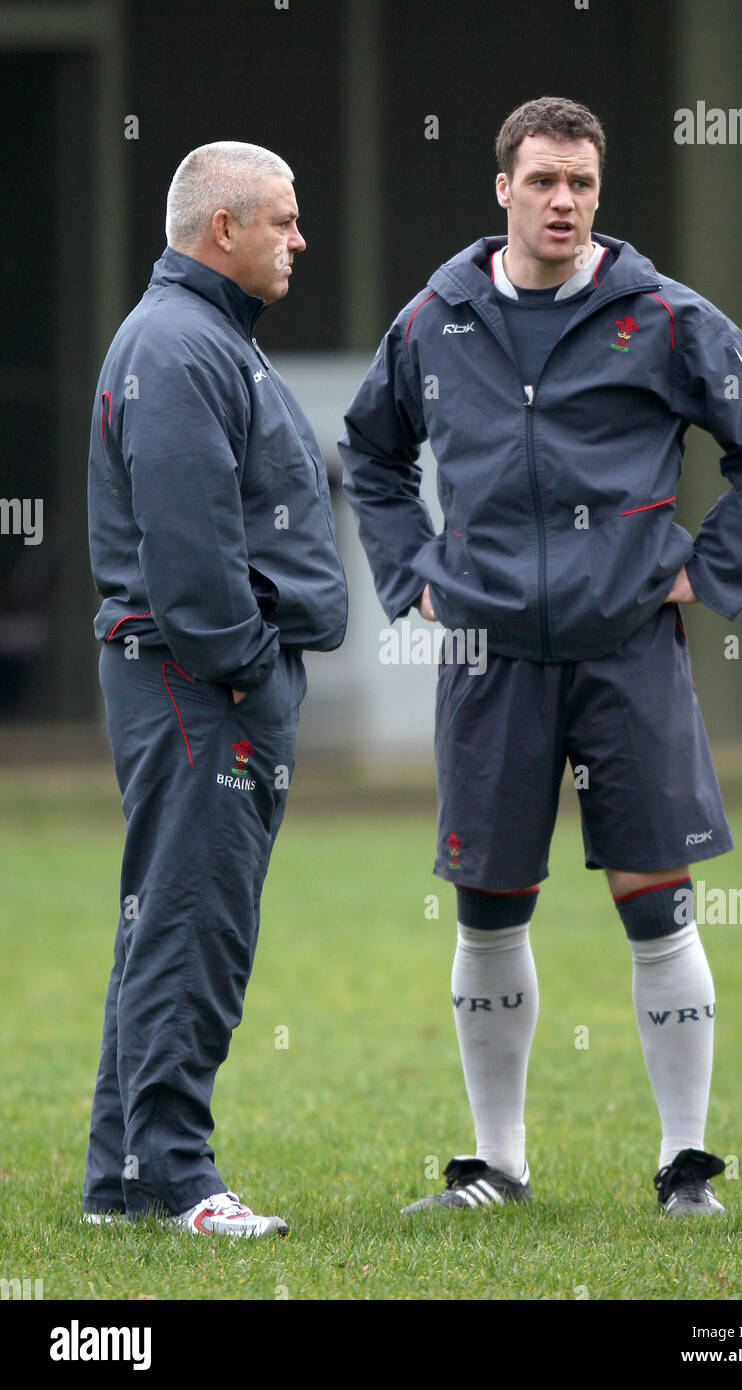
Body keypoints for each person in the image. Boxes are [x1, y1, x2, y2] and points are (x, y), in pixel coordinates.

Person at [339, 98, 742, 1217]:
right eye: (544, 181)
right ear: (500, 187)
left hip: (627, 653)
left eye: (583, 185)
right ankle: (495, 1165)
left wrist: (709, 568)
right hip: (487, 655)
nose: (564, 202)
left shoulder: (659, 315)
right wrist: (409, 569)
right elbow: (369, 449)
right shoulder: (433, 320)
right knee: (488, 906)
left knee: (657, 903)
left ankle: (683, 1165)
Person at [84, 141, 347, 1236]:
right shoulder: (183, 348)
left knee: (164, 920)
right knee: (193, 925)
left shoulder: (202, 339)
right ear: (222, 230)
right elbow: (191, 562)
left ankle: (119, 1183)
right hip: (200, 691)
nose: (299, 239)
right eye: (282, 221)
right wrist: (246, 670)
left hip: (202, 689)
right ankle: (174, 1179)